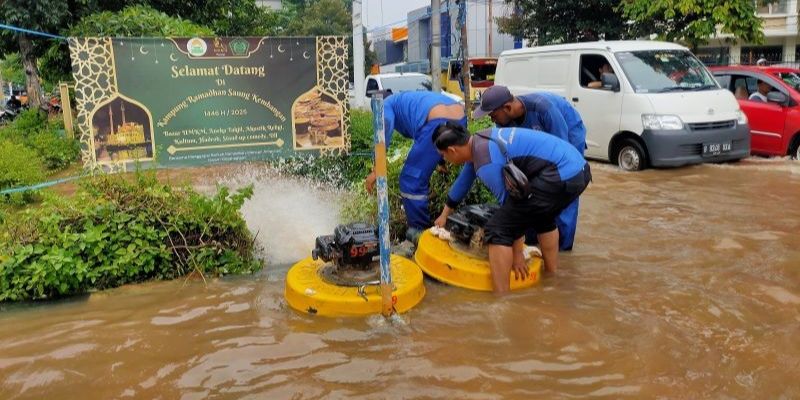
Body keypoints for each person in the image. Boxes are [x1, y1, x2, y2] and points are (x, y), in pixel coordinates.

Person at [432, 122, 591, 294]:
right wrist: (444, 214)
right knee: (542, 216)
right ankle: (552, 278)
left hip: (561, 174)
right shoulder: (480, 140)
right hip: (578, 170)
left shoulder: (486, 162)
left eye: (443, 156)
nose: (445, 161)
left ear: (452, 151)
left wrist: (517, 254)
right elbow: (463, 182)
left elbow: (513, 207)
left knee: (498, 229)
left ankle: (502, 300)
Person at [443, 84, 585, 251]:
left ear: (508, 108)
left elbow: (560, 150)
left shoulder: (544, 110)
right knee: (530, 192)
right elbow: (477, 164)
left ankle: (563, 248)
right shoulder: (502, 125)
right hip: (537, 147)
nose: (492, 120)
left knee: (560, 190)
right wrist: (449, 207)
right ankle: (531, 240)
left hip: (568, 134)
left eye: (493, 115)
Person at [364, 90, 467, 240]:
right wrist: (440, 160)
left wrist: (377, 169)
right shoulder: (405, 99)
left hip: (436, 121)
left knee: (411, 180)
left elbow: (384, 125)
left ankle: (421, 234)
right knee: (420, 174)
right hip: (459, 117)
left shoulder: (385, 104)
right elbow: (429, 139)